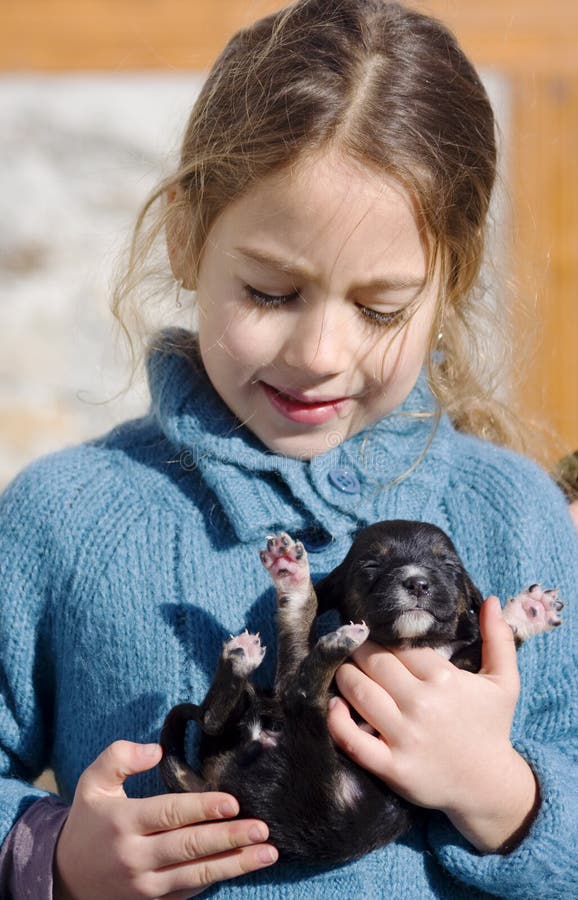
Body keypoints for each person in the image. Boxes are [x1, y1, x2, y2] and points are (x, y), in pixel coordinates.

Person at [0, 1, 576, 898]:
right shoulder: (64, 518)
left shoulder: (516, 513)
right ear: (187, 236)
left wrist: (506, 795)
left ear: (451, 282)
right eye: (271, 292)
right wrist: (50, 857)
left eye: (380, 309)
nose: (320, 353)